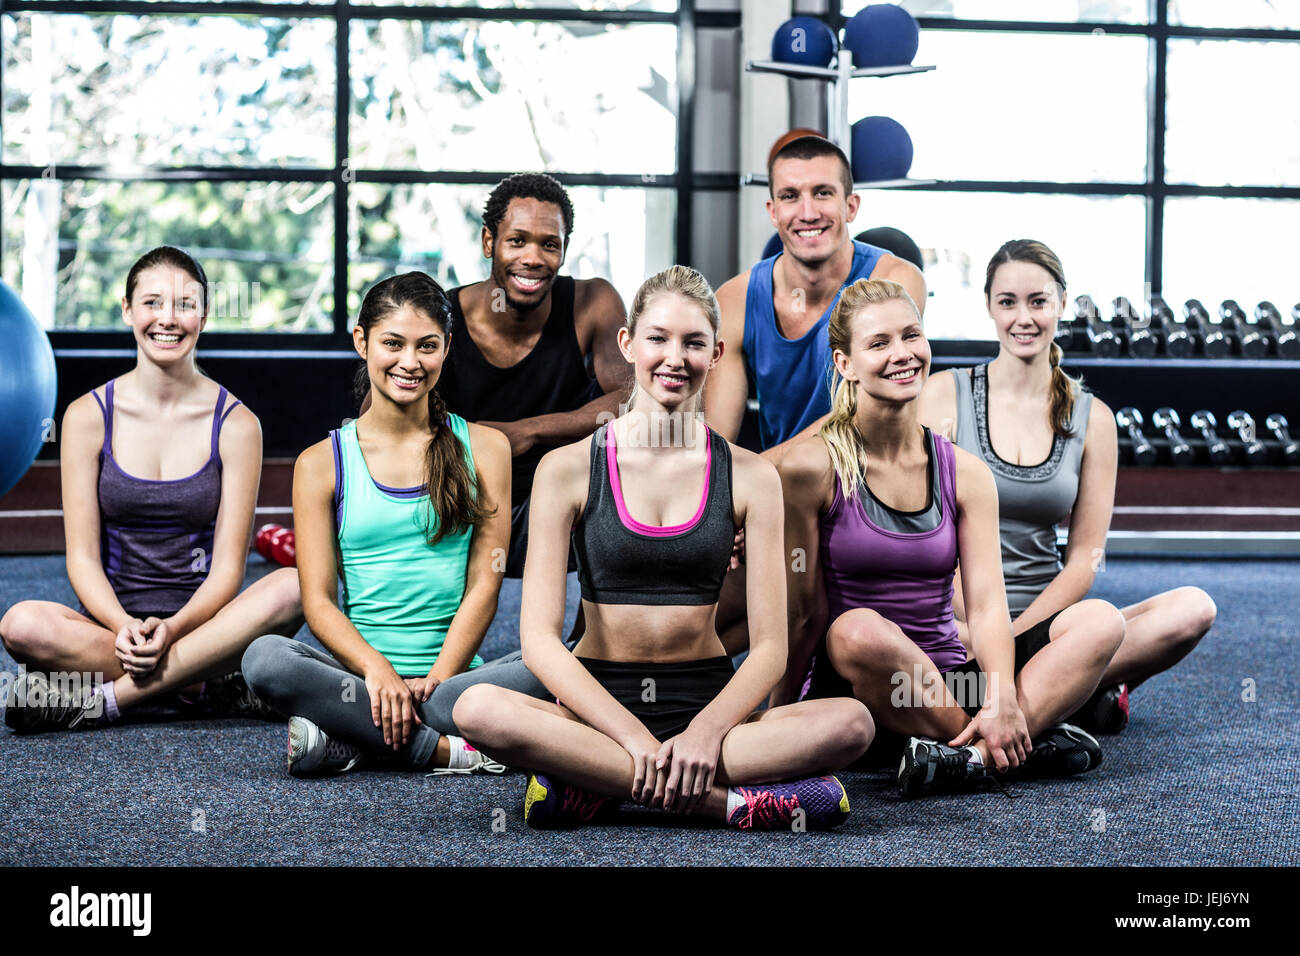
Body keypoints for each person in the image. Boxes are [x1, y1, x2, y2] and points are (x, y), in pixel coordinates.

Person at [453, 266, 873, 830]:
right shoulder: (567, 468)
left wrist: (704, 733)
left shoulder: (750, 477)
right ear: (628, 344)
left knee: (852, 723)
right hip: (597, 708)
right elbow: (539, 642)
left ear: (717, 352)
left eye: (694, 342)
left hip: (707, 703)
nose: (675, 357)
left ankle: (598, 784)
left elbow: (771, 646)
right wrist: (634, 739)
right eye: (658, 338)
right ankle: (727, 805)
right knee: (478, 709)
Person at [778, 277, 1126, 799]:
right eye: (879, 343)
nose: (903, 354)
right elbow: (804, 615)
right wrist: (778, 720)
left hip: (952, 684)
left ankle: (970, 756)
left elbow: (987, 608)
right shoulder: (811, 467)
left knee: (1101, 620)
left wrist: (1002, 693)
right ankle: (1012, 749)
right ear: (845, 364)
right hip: (861, 688)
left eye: (911, 336)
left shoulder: (964, 472)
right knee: (856, 631)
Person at [241, 272, 550, 776]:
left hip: (457, 686)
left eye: (427, 346)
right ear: (362, 342)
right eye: (393, 343)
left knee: (572, 660)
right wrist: (376, 671)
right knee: (265, 659)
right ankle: (450, 750)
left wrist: (438, 677)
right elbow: (318, 602)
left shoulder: (486, 447)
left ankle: (356, 738)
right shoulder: (321, 462)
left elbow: (484, 586)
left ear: (447, 348)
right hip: (360, 679)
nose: (410, 362)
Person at [918, 239, 1216, 734]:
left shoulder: (1093, 418)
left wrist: (1014, 639)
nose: (1024, 317)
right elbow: (924, 533)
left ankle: (1042, 689)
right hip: (959, 620)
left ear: (1060, 303)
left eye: (1039, 301)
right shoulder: (942, 395)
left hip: (1051, 621)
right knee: (908, 669)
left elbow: (1084, 560)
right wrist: (975, 630)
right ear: (989, 306)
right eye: (1007, 302)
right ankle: (1067, 696)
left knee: (1192, 608)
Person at [2, 246, 302, 733]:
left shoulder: (238, 424)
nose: (168, 318)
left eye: (185, 304)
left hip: (208, 631)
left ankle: (110, 699)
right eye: (152, 302)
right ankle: (201, 685)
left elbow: (228, 572)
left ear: (203, 314)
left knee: (295, 585)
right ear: (127, 309)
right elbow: (81, 559)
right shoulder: (85, 417)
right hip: (109, 634)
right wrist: (125, 629)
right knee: (20, 624)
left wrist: (173, 632)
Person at [707, 136, 927, 653]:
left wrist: (753, 488)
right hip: (789, 501)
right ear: (772, 209)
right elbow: (718, 442)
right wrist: (724, 507)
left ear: (851, 205)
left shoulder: (896, 282)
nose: (807, 212)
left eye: (823, 194)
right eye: (790, 196)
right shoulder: (736, 300)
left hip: (874, 495)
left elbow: (855, 415)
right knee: (680, 620)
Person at [360, 173, 629, 577]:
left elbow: (631, 401)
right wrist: (463, 443)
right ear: (489, 242)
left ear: (564, 248)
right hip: (459, 503)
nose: (533, 258)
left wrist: (529, 431)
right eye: (517, 240)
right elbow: (372, 423)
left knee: (642, 456)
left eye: (549, 244)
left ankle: (591, 637)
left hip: (558, 503)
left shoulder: (592, 302)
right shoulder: (442, 317)